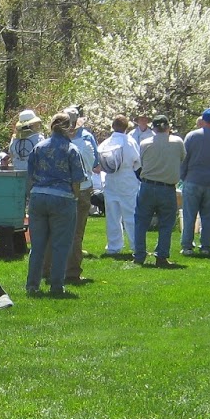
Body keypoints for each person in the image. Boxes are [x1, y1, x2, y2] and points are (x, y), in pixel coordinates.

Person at [24, 111, 85, 296]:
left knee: (38, 245)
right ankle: (56, 285)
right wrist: (74, 197)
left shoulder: (39, 147)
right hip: (62, 198)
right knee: (61, 244)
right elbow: (77, 179)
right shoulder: (71, 149)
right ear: (69, 128)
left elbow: (30, 175)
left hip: (38, 197)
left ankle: (32, 285)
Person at [44, 106, 96, 287]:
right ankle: (72, 271)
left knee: (52, 231)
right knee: (75, 234)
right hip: (78, 190)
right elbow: (89, 168)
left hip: (55, 190)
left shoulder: (49, 146)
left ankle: (47, 268)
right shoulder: (84, 145)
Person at [135, 114, 185, 268]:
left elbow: (140, 162)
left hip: (148, 186)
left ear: (154, 128)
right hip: (167, 187)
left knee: (141, 222)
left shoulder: (145, 143)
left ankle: (139, 255)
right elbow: (182, 158)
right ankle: (161, 256)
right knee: (166, 223)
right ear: (168, 127)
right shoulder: (177, 142)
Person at [97, 115, 141, 257]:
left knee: (112, 215)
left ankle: (114, 246)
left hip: (110, 180)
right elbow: (137, 161)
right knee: (130, 214)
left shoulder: (106, 143)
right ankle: (135, 245)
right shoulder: (130, 141)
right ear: (126, 127)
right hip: (127, 179)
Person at [179, 109, 210, 257]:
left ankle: (187, 246)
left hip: (193, 179)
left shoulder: (191, 136)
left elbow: (184, 159)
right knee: (208, 216)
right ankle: (205, 246)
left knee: (190, 215)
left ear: (202, 120)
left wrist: (183, 176)